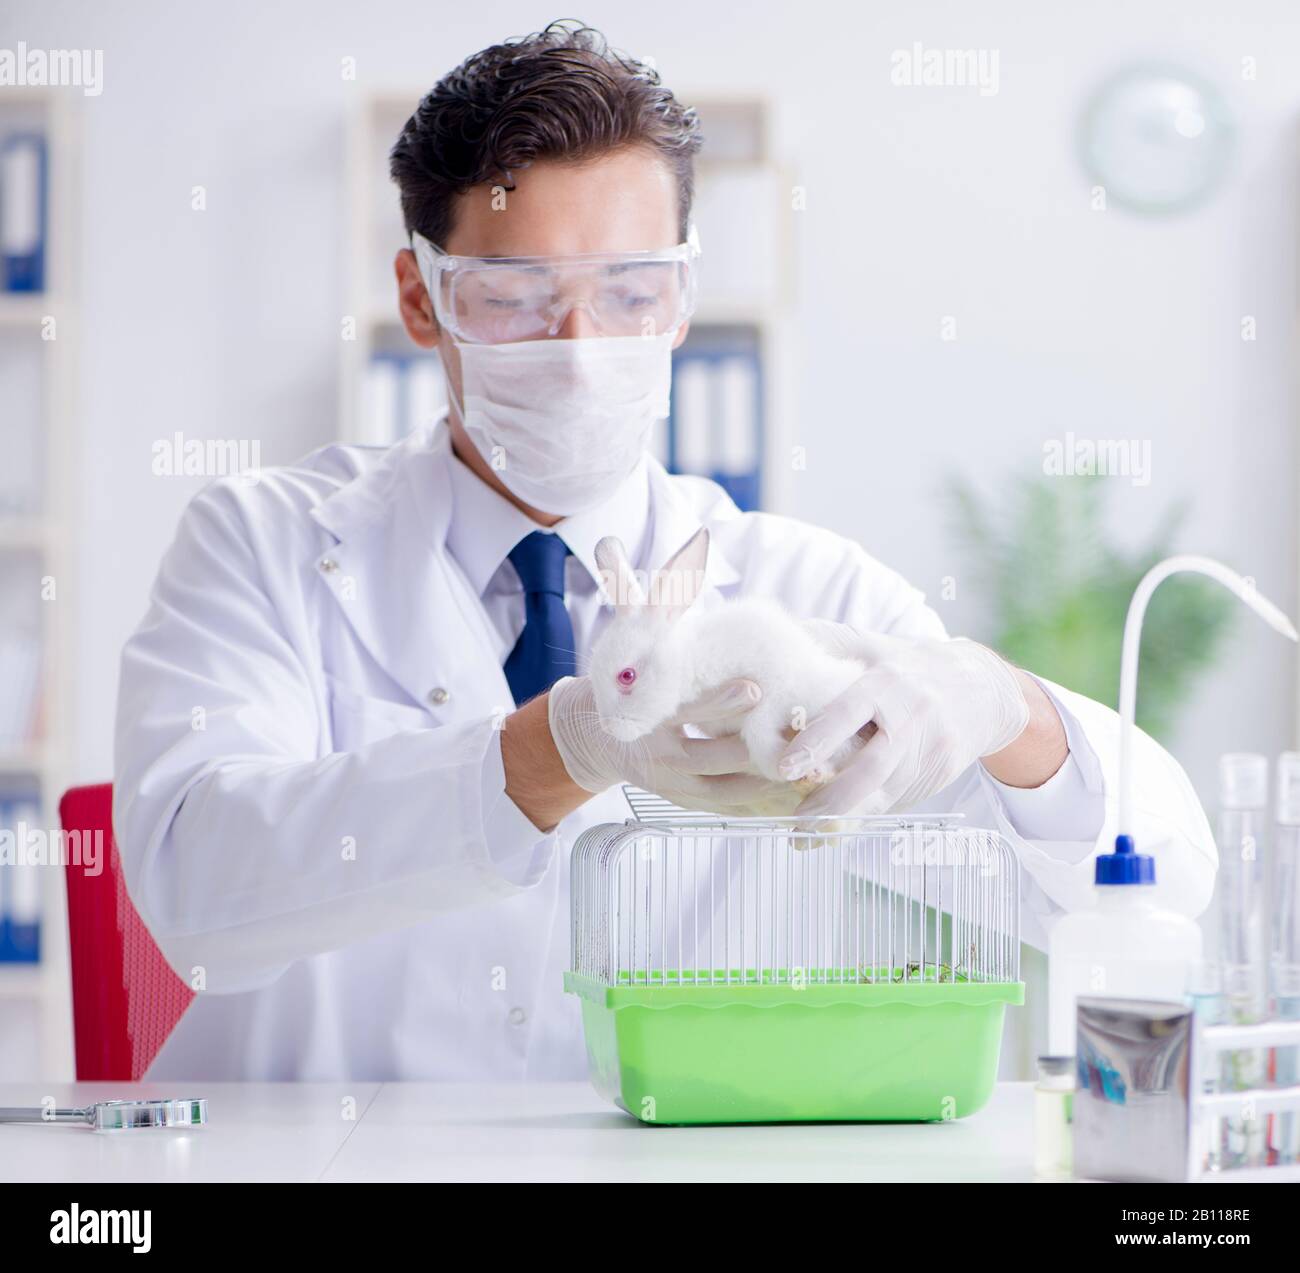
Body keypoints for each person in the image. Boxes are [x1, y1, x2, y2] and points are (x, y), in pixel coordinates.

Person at [114, 22, 1215, 1081]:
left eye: (630, 291)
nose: (582, 349)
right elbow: (195, 892)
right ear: (421, 296)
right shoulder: (262, 541)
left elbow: (1148, 886)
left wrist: (1007, 710)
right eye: (512, 296)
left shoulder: (802, 593)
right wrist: (561, 749)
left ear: (682, 298)